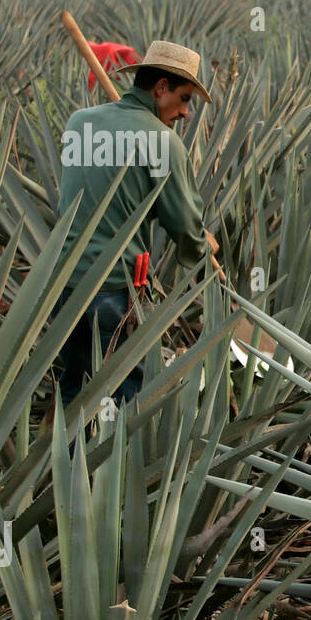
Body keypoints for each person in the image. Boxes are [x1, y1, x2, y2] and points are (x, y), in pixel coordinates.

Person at [54, 40, 210, 410]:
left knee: (74, 387)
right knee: (127, 398)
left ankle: (60, 463)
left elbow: (96, 188)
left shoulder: (80, 122)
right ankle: (114, 468)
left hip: (63, 286)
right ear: (160, 88)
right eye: (184, 98)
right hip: (114, 292)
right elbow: (185, 225)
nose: (186, 112)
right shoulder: (162, 142)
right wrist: (203, 248)